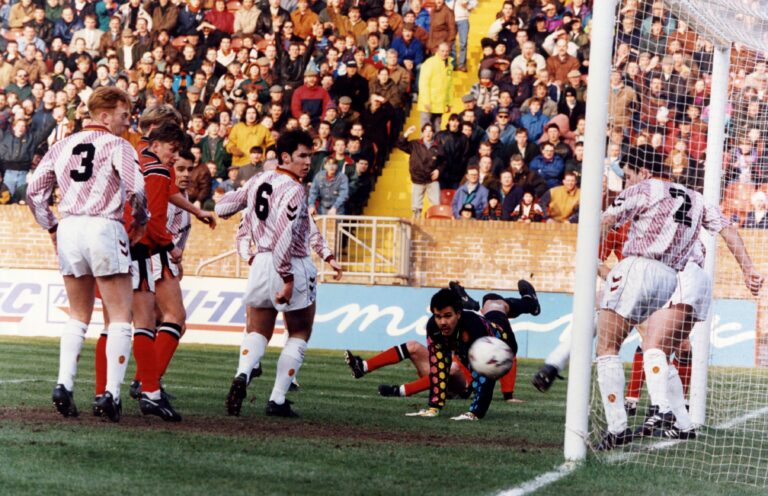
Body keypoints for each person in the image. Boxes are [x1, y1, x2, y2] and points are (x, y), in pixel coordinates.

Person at [592, 145, 763, 450]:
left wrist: (591, 258)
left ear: (643, 171)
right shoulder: (697, 199)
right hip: (688, 279)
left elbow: (604, 221)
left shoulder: (645, 190)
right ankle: (681, 422)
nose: (626, 180)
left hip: (672, 272)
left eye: (628, 174)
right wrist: (748, 268)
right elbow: (727, 230)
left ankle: (657, 412)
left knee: (640, 346)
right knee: (667, 348)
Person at [26, 87, 148, 421]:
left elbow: (34, 191)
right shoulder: (118, 145)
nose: (128, 121)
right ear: (105, 115)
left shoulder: (61, 145)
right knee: (120, 314)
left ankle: (64, 384)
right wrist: (140, 220)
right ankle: (111, 393)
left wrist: (51, 226)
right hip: (103, 225)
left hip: (70, 226)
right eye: (124, 115)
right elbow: (137, 189)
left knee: (78, 313)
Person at [215, 130, 343, 418]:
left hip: (260, 262)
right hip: (291, 262)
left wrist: (248, 207)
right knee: (299, 331)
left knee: (258, 330)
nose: (308, 162)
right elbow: (286, 234)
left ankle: (243, 373)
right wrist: (287, 278)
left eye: (310, 156)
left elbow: (222, 208)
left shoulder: (258, 180)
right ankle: (277, 399)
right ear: (285, 157)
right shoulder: (295, 189)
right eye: (302, 156)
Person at [404, 281, 539, 420]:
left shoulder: (474, 326)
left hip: (503, 342)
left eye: (448, 316)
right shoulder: (433, 327)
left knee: (495, 304)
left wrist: (475, 413)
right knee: (490, 301)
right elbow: (438, 365)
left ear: (458, 314)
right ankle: (471, 305)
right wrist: (434, 407)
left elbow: (486, 374)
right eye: (438, 316)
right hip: (468, 346)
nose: (442, 322)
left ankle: (531, 303)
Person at [398, 123, 442, 219]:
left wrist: (439, 170)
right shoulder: (415, 144)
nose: (428, 133)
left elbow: (444, 162)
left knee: (436, 206)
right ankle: (415, 225)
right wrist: (406, 134)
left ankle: (434, 225)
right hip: (417, 179)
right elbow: (400, 145)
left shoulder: (438, 147)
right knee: (416, 208)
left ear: (433, 133)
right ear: (422, 132)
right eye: (426, 131)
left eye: (430, 131)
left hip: (432, 180)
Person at [417, 42, 453, 130]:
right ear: (437, 51)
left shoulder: (449, 65)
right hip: (428, 104)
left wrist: (449, 103)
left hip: (440, 105)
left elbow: (449, 86)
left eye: (447, 51)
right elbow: (423, 83)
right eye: (442, 51)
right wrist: (426, 101)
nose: (445, 53)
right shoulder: (429, 63)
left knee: (437, 130)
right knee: (426, 130)